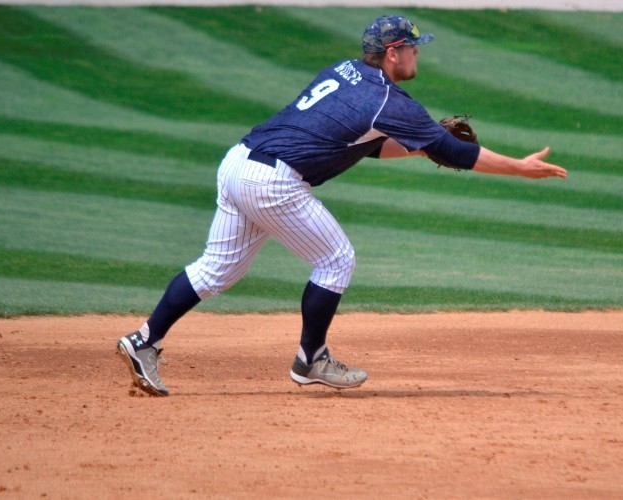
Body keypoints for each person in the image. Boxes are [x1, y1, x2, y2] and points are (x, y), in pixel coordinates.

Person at [116, 14, 568, 396]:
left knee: (217, 269)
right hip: (274, 182)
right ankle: (310, 360)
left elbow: (364, 144)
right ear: (393, 52)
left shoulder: (343, 71)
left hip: (238, 164)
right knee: (335, 259)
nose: (417, 55)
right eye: (413, 47)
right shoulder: (388, 99)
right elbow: (455, 152)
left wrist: (418, 144)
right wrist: (520, 167)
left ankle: (144, 340)